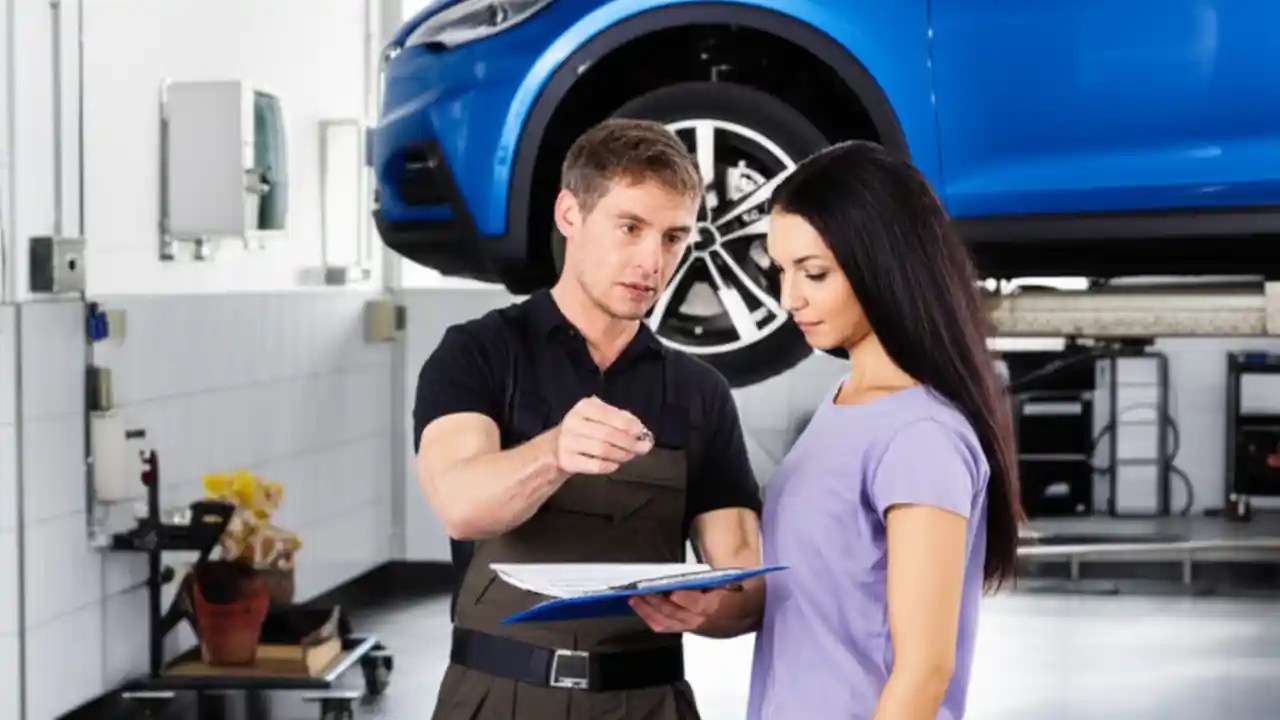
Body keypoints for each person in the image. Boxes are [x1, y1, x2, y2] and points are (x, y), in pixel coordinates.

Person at [412, 118, 766, 720]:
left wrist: (713, 610)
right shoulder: (478, 354)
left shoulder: (698, 392)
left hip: (647, 701)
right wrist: (553, 452)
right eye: (630, 228)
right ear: (570, 214)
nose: (652, 261)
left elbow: (747, 584)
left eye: (674, 238)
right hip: (497, 698)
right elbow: (461, 506)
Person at [745, 141, 1024, 719]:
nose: (788, 297)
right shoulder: (843, 404)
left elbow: (924, 672)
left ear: (881, 264)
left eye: (813, 272)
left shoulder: (919, 436)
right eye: (781, 271)